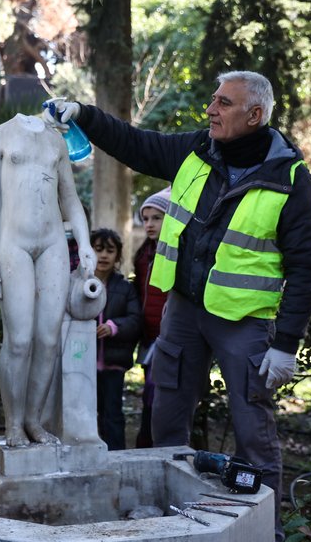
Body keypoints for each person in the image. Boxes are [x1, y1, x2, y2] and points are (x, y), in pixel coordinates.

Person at [45, 70, 311, 541]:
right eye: (213, 100)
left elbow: (306, 267)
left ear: (255, 115)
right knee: (166, 418)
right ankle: (171, 523)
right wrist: (85, 116)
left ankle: (266, 531)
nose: (211, 109)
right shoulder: (199, 150)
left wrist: (287, 345)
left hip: (243, 323)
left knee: (253, 430)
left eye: (224, 103)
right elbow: (137, 145)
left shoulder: (289, 178)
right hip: (185, 312)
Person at [0, 113, 96, 447]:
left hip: (52, 243)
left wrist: (84, 243)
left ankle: (33, 420)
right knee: (19, 340)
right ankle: (12, 423)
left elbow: (69, 198)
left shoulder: (56, 140)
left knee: (48, 339)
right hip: (13, 243)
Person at [91, 228, 143, 451]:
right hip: (83, 366)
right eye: (98, 249)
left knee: (112, 414)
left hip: (113, 365)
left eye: (109, 251)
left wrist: (113, 327)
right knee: (85, 415)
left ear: (118, 256)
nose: (103, 256)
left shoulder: (125, 288)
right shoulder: (77, 284)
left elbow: (135, 320)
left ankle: (116, 454)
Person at [132, 188, 171, 448]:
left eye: (157, 218)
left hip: (170, 338)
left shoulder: (176, 253)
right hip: (148, 338)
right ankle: (146, 443)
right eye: (145, 218)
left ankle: (160, 444)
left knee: (164, 397)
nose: (149, 224)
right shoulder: (144, 255)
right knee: (149, 396)